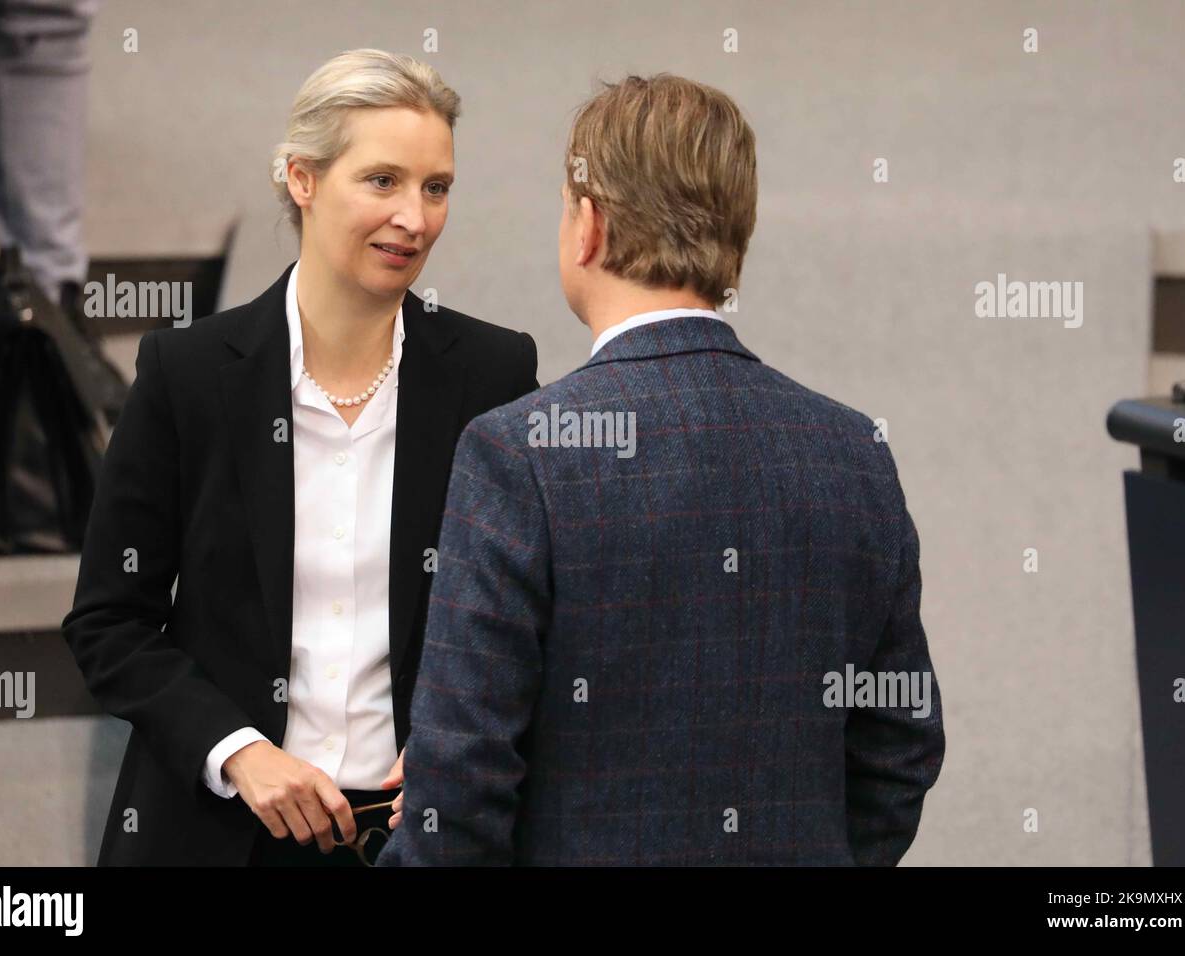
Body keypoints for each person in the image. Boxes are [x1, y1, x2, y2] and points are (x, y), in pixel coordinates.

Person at [376, 73, 945, 866]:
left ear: (591, 228)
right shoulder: (855, 452)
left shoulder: (519, 456)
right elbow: (900, 744)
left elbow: (459, 786)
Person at [62, 49, 538, 866]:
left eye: (436, 187)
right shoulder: (190, 374)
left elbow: (530, 619)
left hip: (420, 834)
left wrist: (456, 745)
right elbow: (110, 622)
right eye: (382, 181)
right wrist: (239, 752)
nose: (415, 219)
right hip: (220, 834)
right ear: (302, 180)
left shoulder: (492, 375)